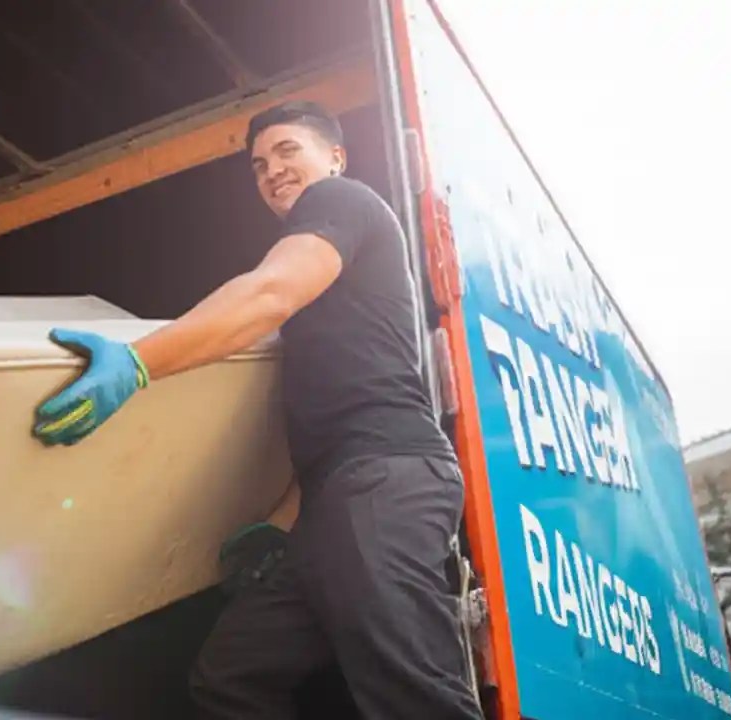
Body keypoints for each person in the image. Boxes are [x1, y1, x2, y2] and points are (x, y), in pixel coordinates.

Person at [30, 100, 482, 719]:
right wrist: (280, 522)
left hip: (385, 479)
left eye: (288, 151)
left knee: (412, 694)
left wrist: (137, 365)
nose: (271, 170)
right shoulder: (327, 297)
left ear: (336, 158)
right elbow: (328, 411)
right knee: (231, 677)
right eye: (259, 164)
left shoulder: (341, 201)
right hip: (332, 501)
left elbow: (269, 294)